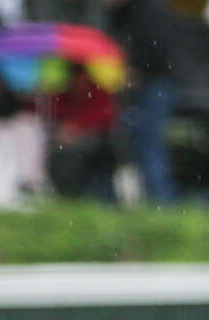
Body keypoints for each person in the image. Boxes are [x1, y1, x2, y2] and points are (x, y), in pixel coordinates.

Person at [106, 0, 181, 204]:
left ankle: (161, 201)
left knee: (149, 144)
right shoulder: (121, 13)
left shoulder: (150, 10)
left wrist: (137, 70)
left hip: (155, 85)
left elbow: (156, 48)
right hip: (142, 84)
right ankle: (154, 199)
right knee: (140, 144)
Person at [48, 63, 119, 202]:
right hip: (70, 142)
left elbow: (104, 116)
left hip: (98, 142)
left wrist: (76, 127)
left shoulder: (99, 93)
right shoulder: (64, 96)